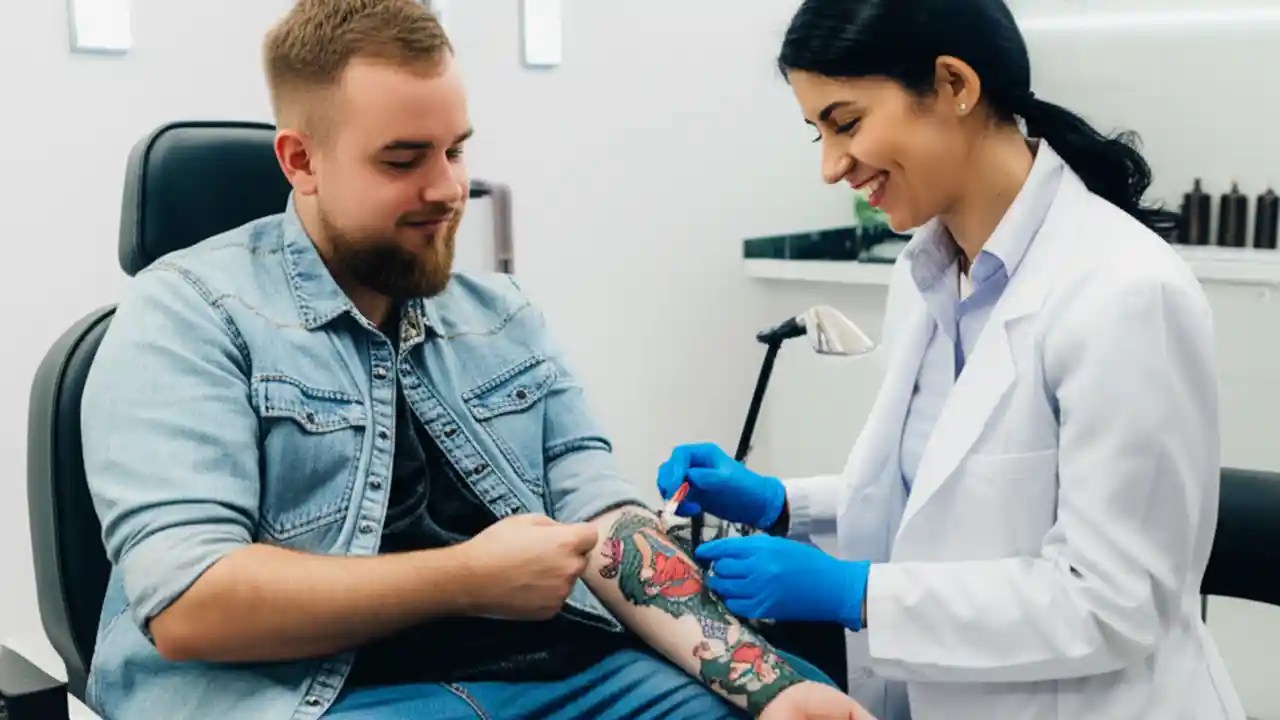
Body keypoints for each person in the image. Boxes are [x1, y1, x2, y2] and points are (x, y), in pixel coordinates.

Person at [79, 1, 871, 719]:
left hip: (560, 675)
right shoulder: (186, 314)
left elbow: (602, 520)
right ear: (301, 161)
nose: (449, 188)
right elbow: (189, 605)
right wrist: (466, 578)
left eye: (456, 150)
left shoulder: (503, 318)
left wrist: (772, 685)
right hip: (318, 695)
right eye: (403, 160)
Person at [657, 1, 1247, 719]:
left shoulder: (1125, 294)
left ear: (953, 85)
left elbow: (1111, 601)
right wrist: (785, 505)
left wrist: (857, 593)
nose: (830, 165)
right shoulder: (928, 274)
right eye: (817, 132)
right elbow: (942, 503)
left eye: (846, 123)